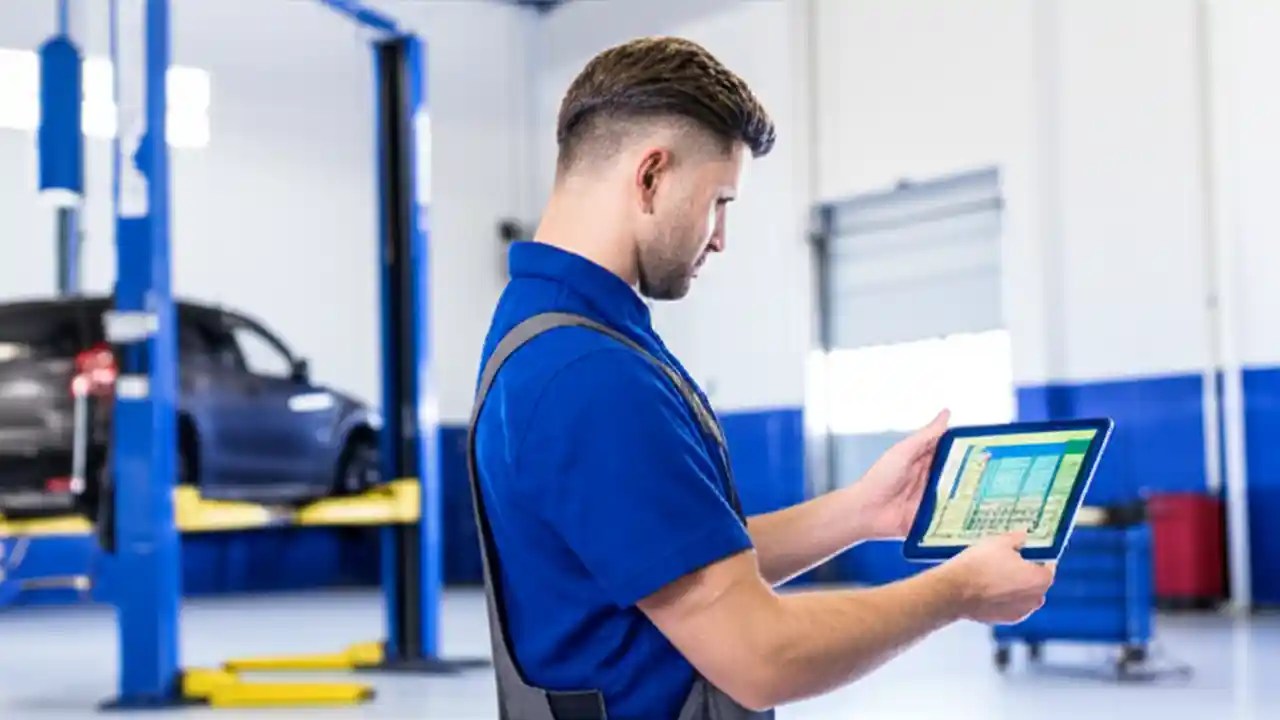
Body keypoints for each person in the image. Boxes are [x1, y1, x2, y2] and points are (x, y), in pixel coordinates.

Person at [468, 36, 1055, 720]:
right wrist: (954, 593)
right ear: (651, 175)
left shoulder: (544, 329)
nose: (718, 237)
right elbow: (761, 656)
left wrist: (862, 511)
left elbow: (681, 559)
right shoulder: (589, 375)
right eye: (719, 200)